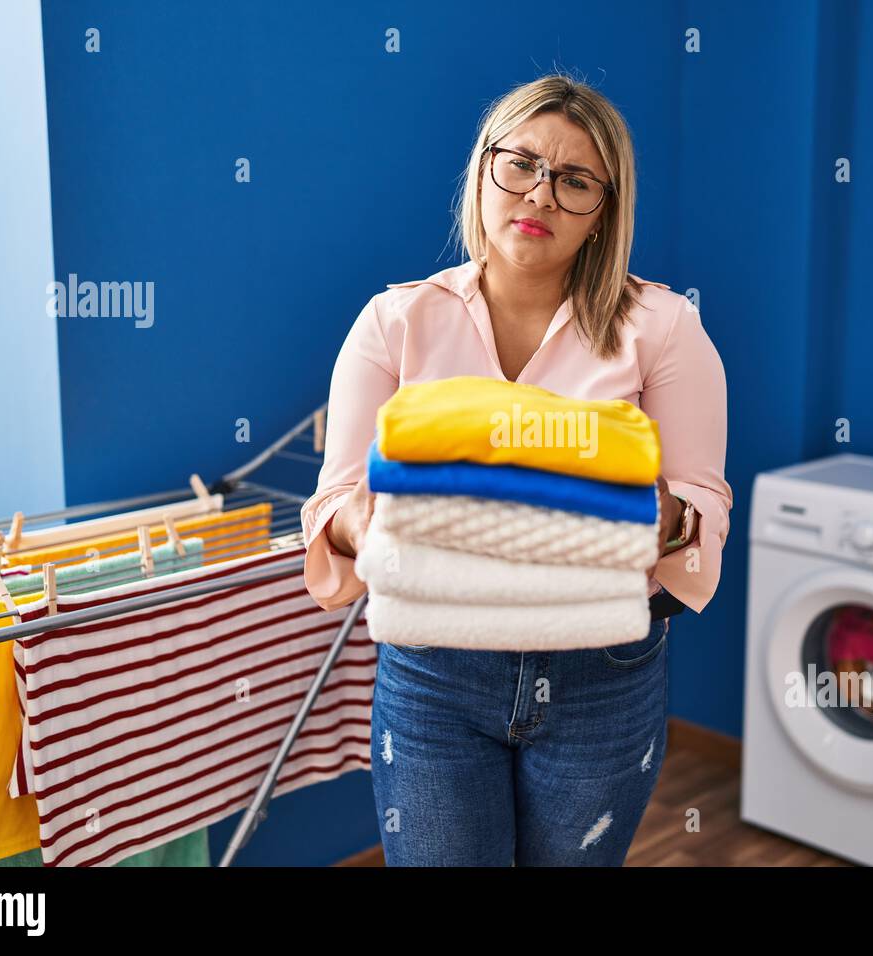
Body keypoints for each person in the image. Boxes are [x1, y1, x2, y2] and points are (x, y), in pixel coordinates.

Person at [300, 72, 731, 865]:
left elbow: (702, 505)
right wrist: (386, 517)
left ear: (605, 208)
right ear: (483, 169)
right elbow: (334, 503)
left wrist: (650, 510)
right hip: (434, 671)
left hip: (603, 673)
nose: (540, 196)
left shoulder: (663, 328)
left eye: (575, 182)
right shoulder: (396, 322)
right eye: (521, 164)